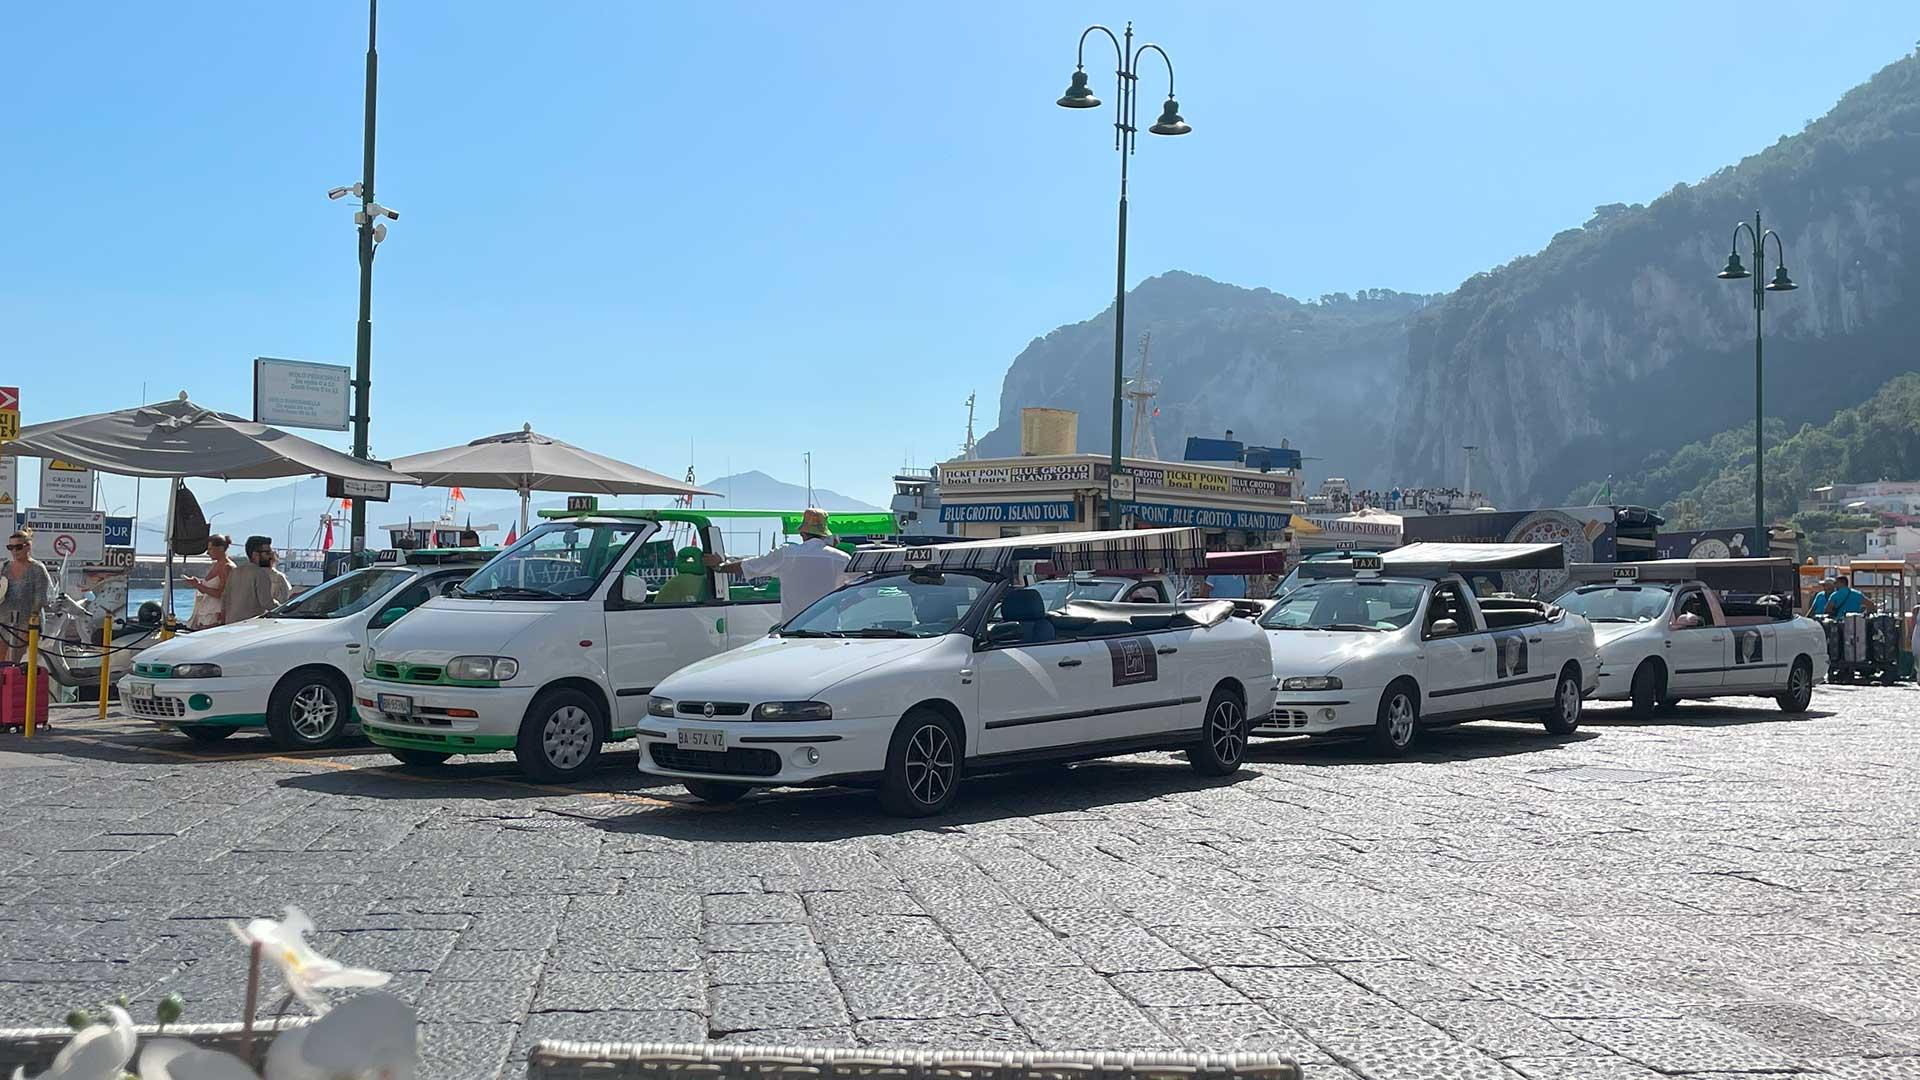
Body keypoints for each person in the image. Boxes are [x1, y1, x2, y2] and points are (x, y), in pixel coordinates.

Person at [706, 508, 850, 623]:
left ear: (802, 533)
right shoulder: (842, 559)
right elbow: (862, 587)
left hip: (793, 628)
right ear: (825, 534)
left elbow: (749, 565)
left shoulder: (786, 554)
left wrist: (720, 566)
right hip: (829, 629)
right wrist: (840, 605)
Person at [0, 530, 54, 662]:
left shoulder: (37, 568)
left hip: (26, 623)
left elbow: (40, 598)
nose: (14, 551)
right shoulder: (5, 567)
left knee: (14, 662)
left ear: (28, 546)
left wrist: (31, 625)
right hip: (4, 622)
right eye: (10, 547)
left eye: (18, 547)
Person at [222, 536, 280, 623]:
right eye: (267, 553)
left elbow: (225, 598)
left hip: (231, 623)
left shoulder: (235, 572)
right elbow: (266, 603)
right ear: (255, 554)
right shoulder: (260, 573)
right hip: (250, 625)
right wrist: (283, 608)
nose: (270, 556)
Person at [182, 534, 234, 628]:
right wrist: (197, 584)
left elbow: (221, 594)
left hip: (215, 615)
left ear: (221, 548)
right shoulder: (217, 564)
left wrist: (198, 585)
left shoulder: (226, 567)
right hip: (206, 613)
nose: (207, 553)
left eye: (210, 549)